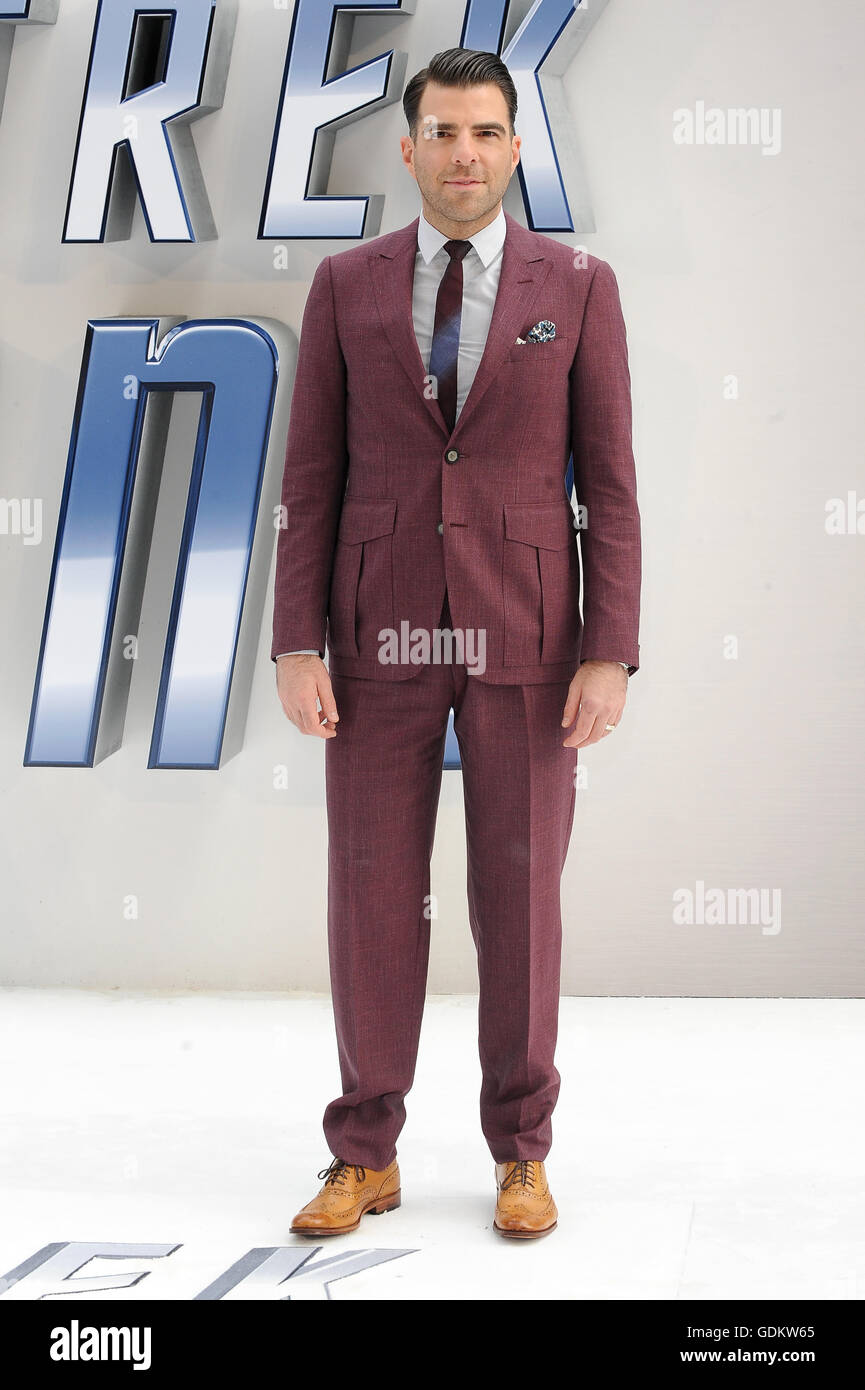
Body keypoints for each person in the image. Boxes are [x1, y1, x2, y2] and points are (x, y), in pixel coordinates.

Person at [271, 47, 641, 1240]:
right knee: (371, 894)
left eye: (486, 132)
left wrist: (610, 644)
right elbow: (311, 475)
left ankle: (520, 1152)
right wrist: (294, 639)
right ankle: (363, 1151)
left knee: (519, 899)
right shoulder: (345, 286)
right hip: (375, 632)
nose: (465, 153)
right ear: (409, 145)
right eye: (443, 131)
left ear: (516, 147)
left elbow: (614, 484)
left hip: (530, 633)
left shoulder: (578, 285)